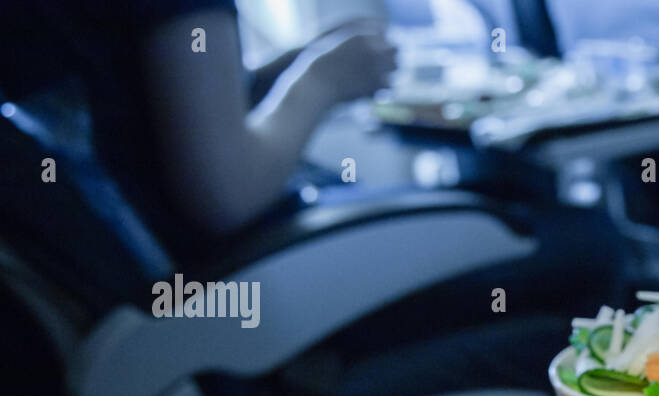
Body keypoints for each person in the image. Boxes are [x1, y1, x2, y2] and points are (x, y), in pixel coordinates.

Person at [1, 2, 397, 254]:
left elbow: (123, 113)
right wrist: (322, 81)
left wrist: (285, 71)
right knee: (454, 238)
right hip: (233, 292)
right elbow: (227, 195)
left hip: (107, 285)